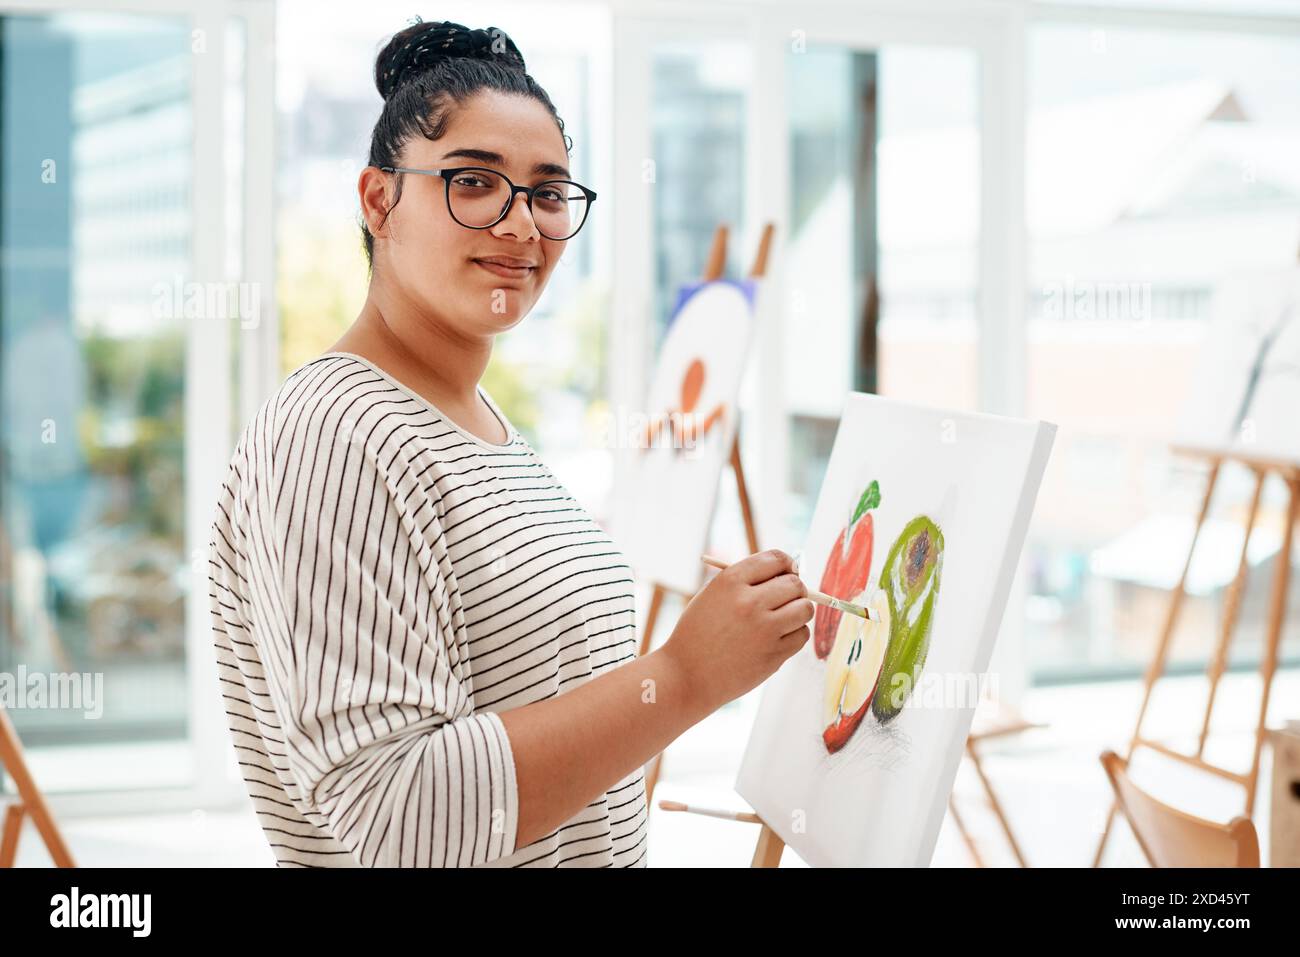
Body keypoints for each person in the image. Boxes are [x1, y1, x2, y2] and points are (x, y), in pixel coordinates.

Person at [206, 17, 812, 868]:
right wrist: (683, 675)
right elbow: (398, 816)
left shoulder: (478, 420)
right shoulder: (336, 432)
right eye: (475, 182)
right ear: (379, 199)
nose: (522, 225)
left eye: (549, 192)